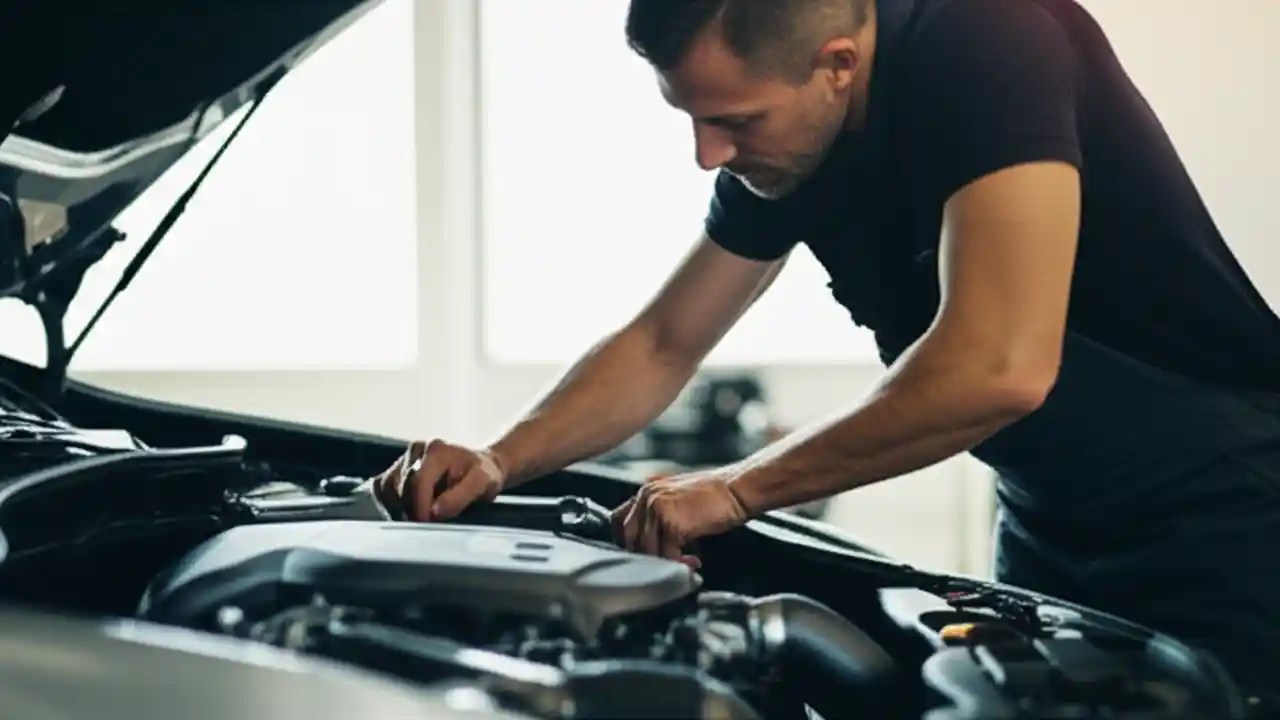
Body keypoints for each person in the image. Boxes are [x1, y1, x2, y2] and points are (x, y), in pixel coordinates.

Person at [374, 0, 1280, 696]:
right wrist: (498, 458)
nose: (707, 153)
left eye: (735, 120)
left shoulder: (988, 41)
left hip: (1223, 514)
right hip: (1048, 521)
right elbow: (663, 340)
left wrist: (737, 489)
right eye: (692, 118)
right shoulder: (797, 141)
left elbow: (999, 364)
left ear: (836, 65)